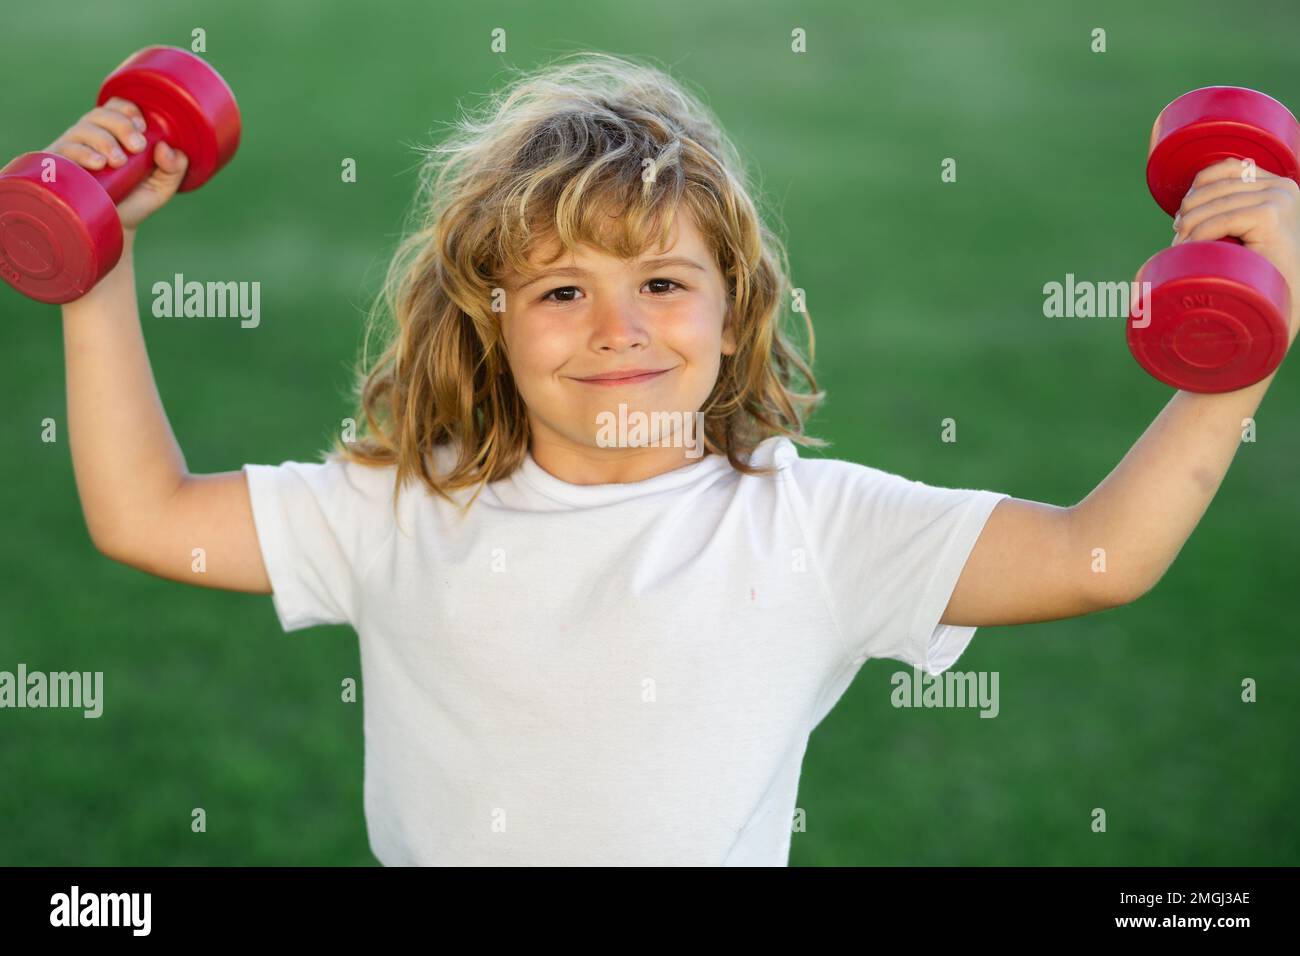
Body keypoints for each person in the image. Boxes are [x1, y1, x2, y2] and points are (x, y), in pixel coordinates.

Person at [56, 52, 1300, 865]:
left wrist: (1252, 325)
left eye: (661, 281)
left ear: (733, 306)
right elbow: (144, 512)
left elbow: (1099, 556)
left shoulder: (812, 525)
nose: (618, 328)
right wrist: (90, 252)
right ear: (490, 313)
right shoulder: (402, 506)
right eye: (559, 290)